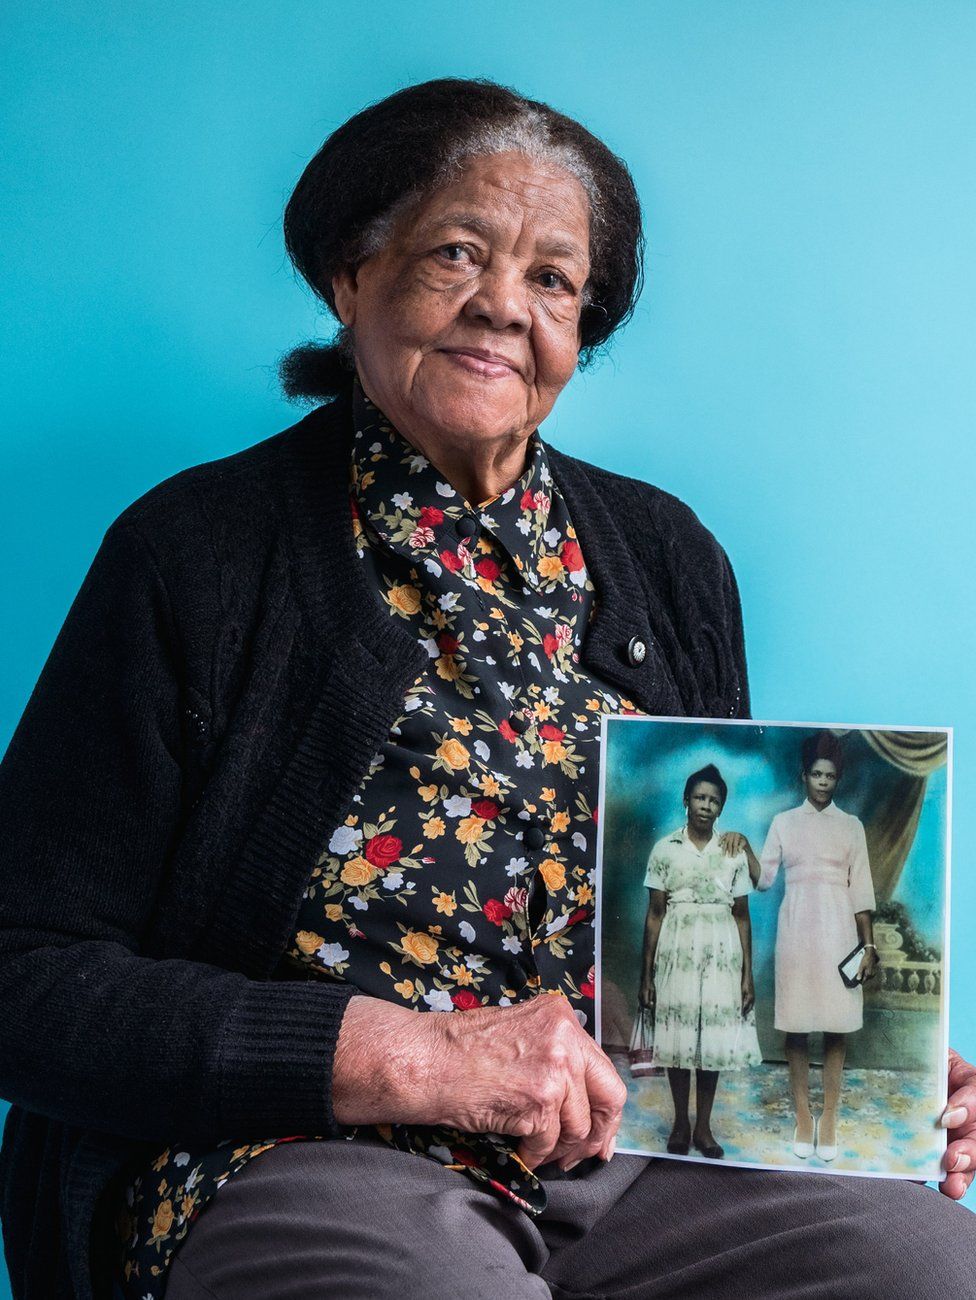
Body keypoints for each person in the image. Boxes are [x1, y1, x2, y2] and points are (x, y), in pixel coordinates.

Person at [1, 78, 974, 1300]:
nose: (503, 306)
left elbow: (721, 917)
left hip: (637, 1146)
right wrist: (401, 1055)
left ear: (583, 328)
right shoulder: (193, 553)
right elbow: (25, 972)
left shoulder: (669, 557)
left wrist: (859, 1051)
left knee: (929, 1264)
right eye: (455, 252)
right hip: (301, 1147)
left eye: (554, 281)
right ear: (350, 276)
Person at [752, 731, 879, 1162]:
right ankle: (804, 1117)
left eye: (830, 775)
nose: (823, 782)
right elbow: (764, 879)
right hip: (796, 931)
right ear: (803, 775)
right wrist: (741, 847)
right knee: (798, 1023)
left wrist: (869, 945)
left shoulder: (852, 826)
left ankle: (829, 1117)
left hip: (839, 929)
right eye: (816, 774)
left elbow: (860, 889)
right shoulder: (784, 822)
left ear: (837, 778)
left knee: (836, 1026)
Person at [638, 764, 762, 1160]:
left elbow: (742, 915)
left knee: (711, 1042)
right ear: (686, 800)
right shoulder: (664, 849)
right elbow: (655, 914)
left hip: (721, 952)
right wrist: (647, 976)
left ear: (721, 807)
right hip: (678, 950)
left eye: (714, 800)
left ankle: (704, 1125)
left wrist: (747, 975)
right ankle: (680, 1121)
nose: (705, 806)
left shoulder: (732, 850)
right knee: (678, 1038)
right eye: (699, 797)